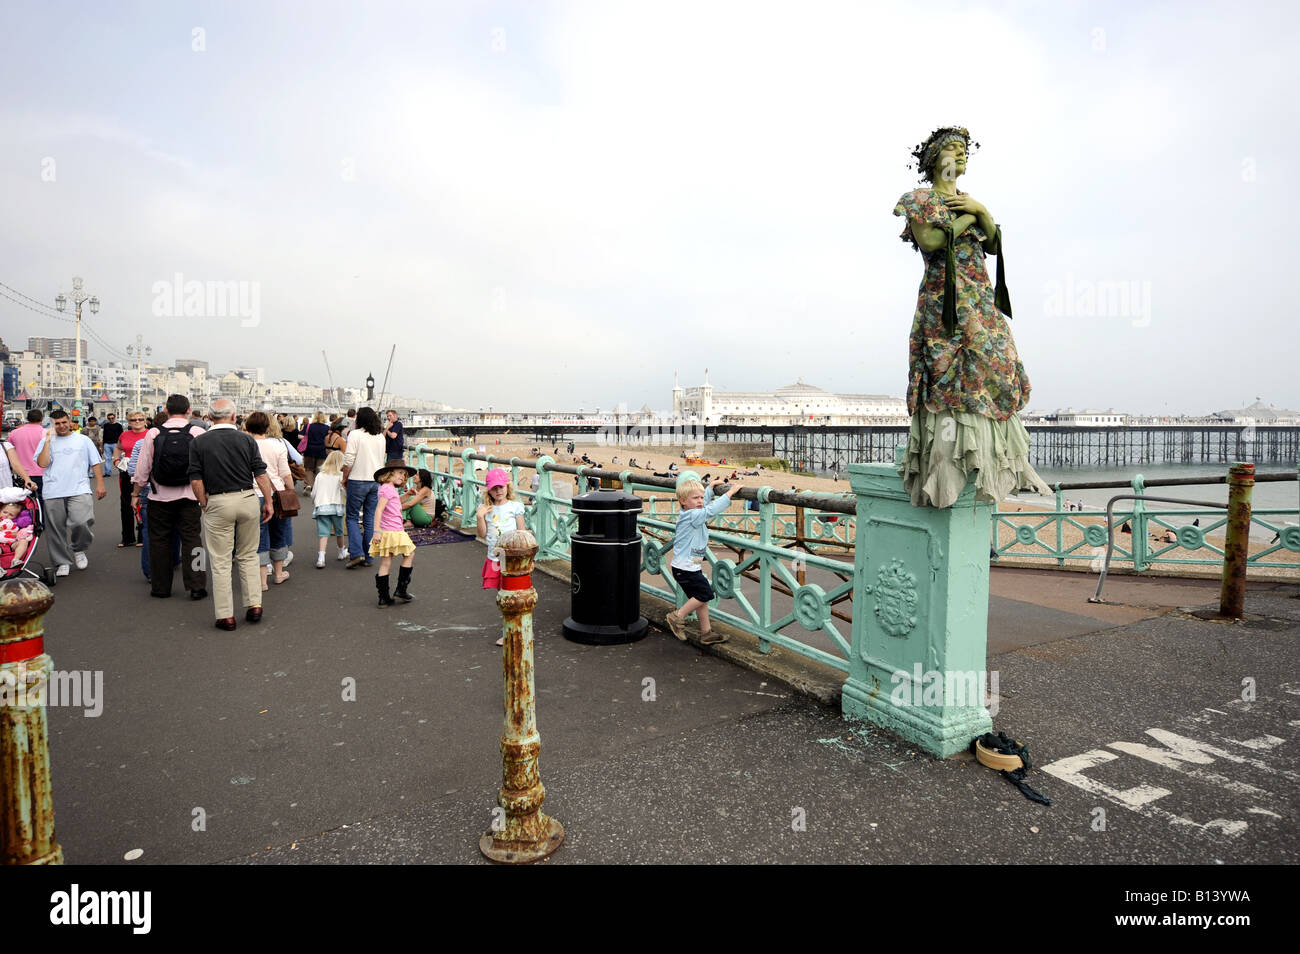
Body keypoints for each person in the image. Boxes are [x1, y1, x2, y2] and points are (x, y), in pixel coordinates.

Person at [894, 126, 1049, 508]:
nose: (960, 156)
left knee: (990, 363)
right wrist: (969, 219)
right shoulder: (919, 198)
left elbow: (994, 242)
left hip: (977, 296)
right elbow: (930, 241)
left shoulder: (969, 200)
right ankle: (945, 464)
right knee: (947, 364)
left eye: (965, 150)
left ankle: (980, 457)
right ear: (934, 160)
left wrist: (982, 210)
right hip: (944, 297)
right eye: (952, 149)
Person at [189, 398, 274, 631]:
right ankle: (254, 604)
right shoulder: (246, 439)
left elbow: (196, 478)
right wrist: (268, 501)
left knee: (221, 560)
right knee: (248, 554)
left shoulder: (199, 442)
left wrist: (204, 503)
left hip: (218, 500)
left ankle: (226, 615)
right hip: (247, 498)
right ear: (234, 416)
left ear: (209, 416)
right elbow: (261, 474)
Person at [132, 395, 208, 600]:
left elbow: (143, 468)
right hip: (190, 496)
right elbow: (205, 466)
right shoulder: (197, 432)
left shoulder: (154, 433)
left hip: (159, 497)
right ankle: (197, 585)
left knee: (159, 542)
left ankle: (160, 587)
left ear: (166, 411)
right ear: (189, 411)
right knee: (193, 541)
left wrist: (136, 494)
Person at [34, 409, 106, 576]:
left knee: (82, 522)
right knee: (55, 529)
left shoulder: (83, 440)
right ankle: (61, 562)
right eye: (57, 423)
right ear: (52, 424)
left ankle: (79, 549)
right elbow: (43, 464)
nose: (61, 426)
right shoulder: (46, 441)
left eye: (64, 422)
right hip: (53, 490)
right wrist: (46, 441)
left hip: (79, 488)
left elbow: (95, 463)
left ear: (70, 421)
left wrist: (100, 485)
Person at [664, 477, 733, 645]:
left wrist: (708, 489)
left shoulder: (689, 512)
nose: (700, 501)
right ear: (683, 501)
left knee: (700, 599)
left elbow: (702, 504)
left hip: (685, 567)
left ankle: (706, 633)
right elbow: (709, 511)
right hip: (686, 568)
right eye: (696, 498)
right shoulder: (693, 516)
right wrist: (730, 493)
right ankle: (676, 617)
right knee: (705, 594)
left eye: (702, 497)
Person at [476, 468, 525, 646]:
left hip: (513, 558)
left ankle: (523, 629)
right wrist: (480, 517)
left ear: (507, 486)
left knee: (518, 595)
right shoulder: (485, 509)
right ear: (488, 490)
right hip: (496, 559)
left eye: (501, 487)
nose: (498, 491)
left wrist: (528, 559)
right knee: (504, 597)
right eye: (494, 488)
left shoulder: (515, 507)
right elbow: (482, 534)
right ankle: (508, 631)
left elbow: (522, 533)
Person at [245, 411, 294, 590]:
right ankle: (279, 573)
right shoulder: (278, 446)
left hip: (253, 494)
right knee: (279, 534)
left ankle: (262, 580)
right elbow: (285, 474)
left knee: (259, 536)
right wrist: (290, 490)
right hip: (277, 494)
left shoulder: (245, 445)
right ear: (267, 427)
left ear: (247, 427)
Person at [342, 407, 386, 568]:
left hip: (358, 479)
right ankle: (369, 556)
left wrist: (344, 478)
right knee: (369, 518)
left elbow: (349, 459)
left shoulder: (355, 434)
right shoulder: (380, 437)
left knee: (352, 517)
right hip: (376, 481)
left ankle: (356, 553)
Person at [370, 459, 418, 606]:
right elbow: (379, 510)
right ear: (389, 474)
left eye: (404, 474)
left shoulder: (388, 488)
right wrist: (376, 531)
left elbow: (396, 504)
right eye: (400, 473)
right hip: (393, 530)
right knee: (409, 554)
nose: (402, 477)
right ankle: (401, 590)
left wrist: (408, 494)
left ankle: (384, 597)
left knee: (386, 562)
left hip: (388, 531)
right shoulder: (388, 489)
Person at [114, 410, 151, 546]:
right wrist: (116, 460)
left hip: (145, 473)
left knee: (144, 504)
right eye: (134, 420)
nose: (137, 422)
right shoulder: (124, 434)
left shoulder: (150, 434)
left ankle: (143, 537)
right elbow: (118, 448)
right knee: (126, 503)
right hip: (126, 471)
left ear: (145, 421)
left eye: (140, 419)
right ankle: (128, 538)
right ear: (128, 422)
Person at [311, 450, 348, 567]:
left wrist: (315, 503)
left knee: (323, 533)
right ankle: (341, 551)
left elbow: (314, 493)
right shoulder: (341, 476)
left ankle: (321, 558)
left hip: (322, 506)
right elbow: (345, 492)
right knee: (339, 531)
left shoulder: (320, 475)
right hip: (337, 506)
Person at [9, 410, 48, 505]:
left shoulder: (14, 433)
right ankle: (40, 519)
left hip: (21, 474)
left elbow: (10, 452)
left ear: (27, 418)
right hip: (42, 473)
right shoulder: (47, 433)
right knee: (41, 502)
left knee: (23, 503)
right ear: (42, 419)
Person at [302, 411, 330, 492]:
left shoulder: (308, 426)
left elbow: (300, 435)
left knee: (309, 469)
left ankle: (309, 485)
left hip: (309, 450)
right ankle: (318, 487)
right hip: (322, 450)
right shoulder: (327, 428)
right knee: (319, 470)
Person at [101, 412, 124, 477]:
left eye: (112, 418)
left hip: (116, 444)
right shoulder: (106, 425)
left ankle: (122, 471)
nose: (111, 419)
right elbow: (104, 435)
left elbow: (121, 436)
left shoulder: (118, 425)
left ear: (114, 418)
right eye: (109, 418)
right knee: (108, 458)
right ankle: (107, 472)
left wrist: (121, 445)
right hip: (107, 444)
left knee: (119, 457)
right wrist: (102, 445)